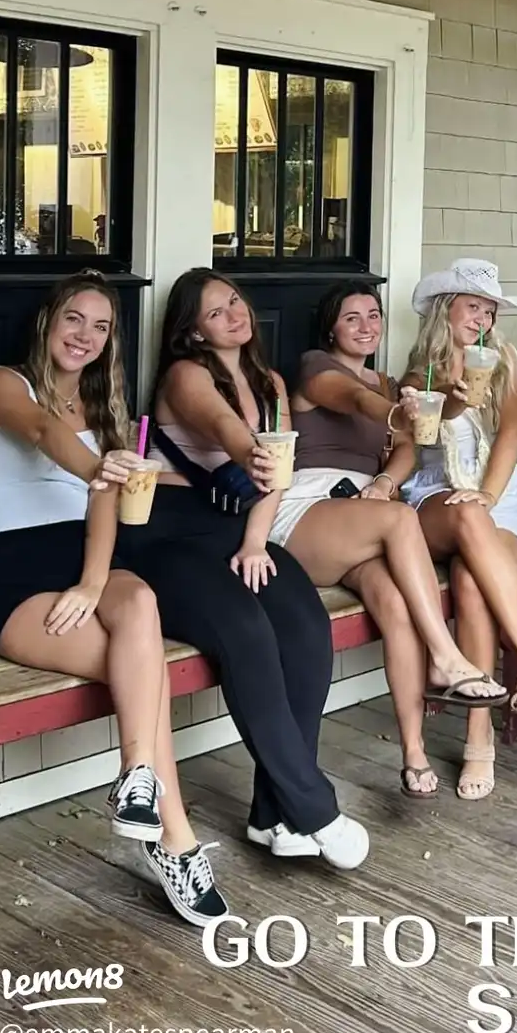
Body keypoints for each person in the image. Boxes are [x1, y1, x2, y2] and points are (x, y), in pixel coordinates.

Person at [0, 270, 228, 928]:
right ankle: (175, 840)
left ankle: (138, 780)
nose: (85, 335)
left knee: (136, 601)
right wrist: (99, 466)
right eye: (74, 319)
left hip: (82, 567)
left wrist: (91, 582)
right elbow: (38, 432)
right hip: (18, 581)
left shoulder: (103, 408)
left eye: (101, 325)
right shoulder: (4, 385)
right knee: (143, 669)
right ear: (48, 322)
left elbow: (106, 510)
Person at [139, 267, 369, 869]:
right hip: (170, 533)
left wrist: (257, 543)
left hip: (241, 529)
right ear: (192, 331)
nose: (233, 315)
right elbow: (224, 429)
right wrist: (253, 453)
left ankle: (274, 813)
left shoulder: (269, 381)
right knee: (245, 629)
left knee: (305, 626)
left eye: (235, 302)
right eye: (216, 312)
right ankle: (314, 806)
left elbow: (281, 471)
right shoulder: (185, 375)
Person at [268, 279, 509, 799]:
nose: (365, 326)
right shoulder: (316, 368)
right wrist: (402, 410)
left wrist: (388, 476)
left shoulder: (387, 380)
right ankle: (446, 657)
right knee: (403, 522)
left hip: (362, 512)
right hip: (307, 510)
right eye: (351, 317)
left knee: (395, 604)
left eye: (373, 315)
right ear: (331, 327)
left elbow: (408, 443)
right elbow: (355, 399)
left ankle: (414, 753)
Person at [399, 258, 517, 801]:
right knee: (464, 517)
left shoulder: (502, 357)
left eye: (489, 310)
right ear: (447, 309)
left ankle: (478, 738)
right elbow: (419, 427)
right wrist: (453, 399)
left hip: (500, 499)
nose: (482, 318)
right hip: (440, 498)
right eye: (473, 307)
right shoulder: (423, 371)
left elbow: (511, 433)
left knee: (469, 578)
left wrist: (488, 493)